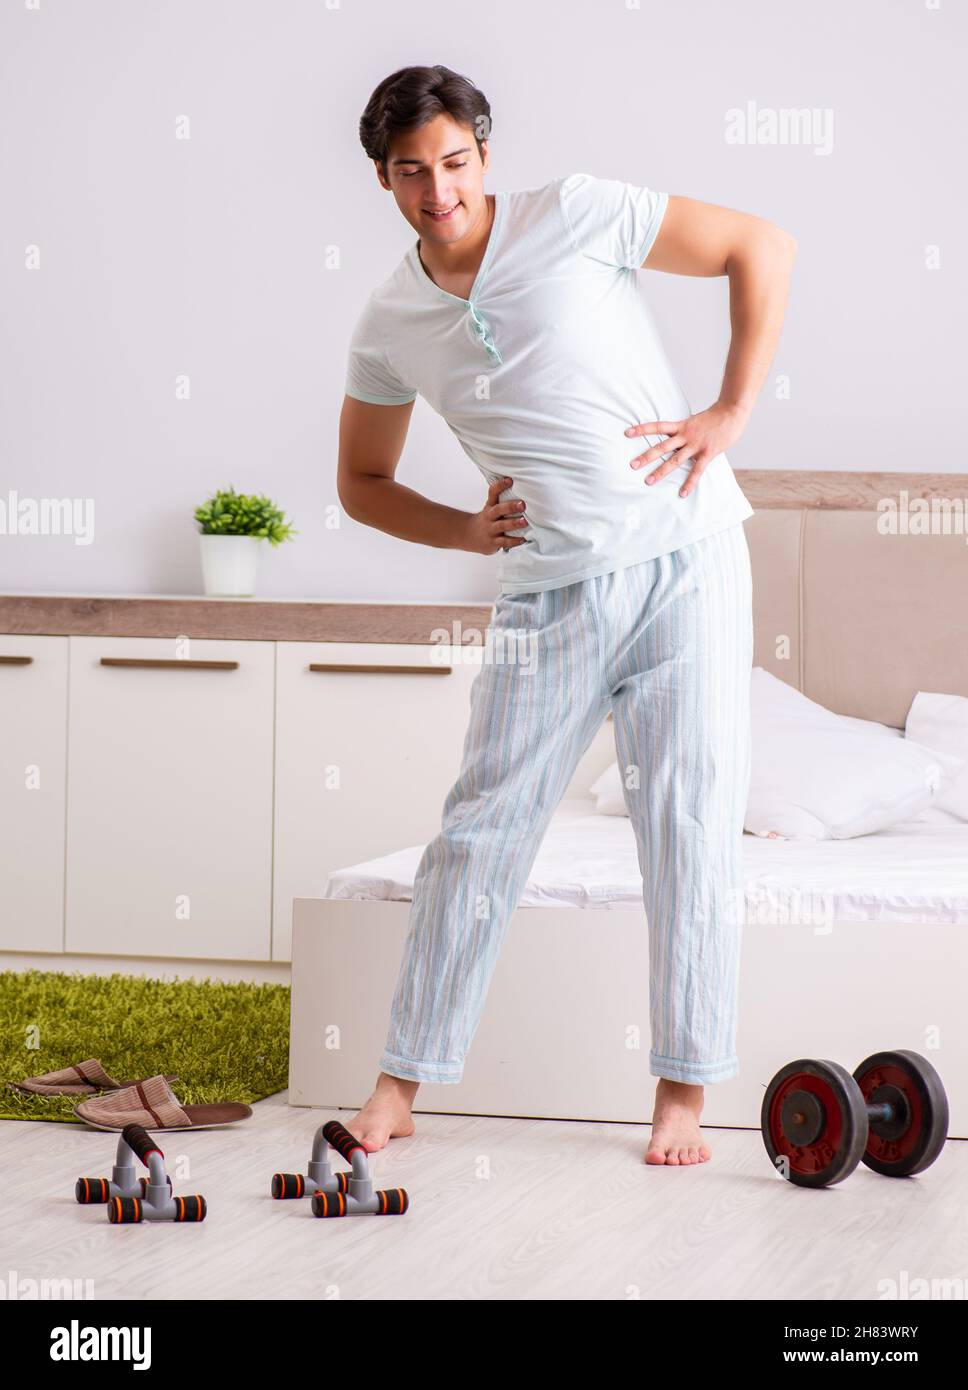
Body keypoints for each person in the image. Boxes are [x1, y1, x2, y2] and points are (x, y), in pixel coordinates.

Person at [336, 64, 796, 1166]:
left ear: (483, 155)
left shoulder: (576, 212)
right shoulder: (390, 319)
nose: (437, 191)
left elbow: (757, 244)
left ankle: (679, 1096)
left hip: (686, 559)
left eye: (453, 163)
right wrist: (459, 531)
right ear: (383, 179)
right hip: (547, 593)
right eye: (410, 173)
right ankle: (400, 1086)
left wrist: (729, 408)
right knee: (478, 832)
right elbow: (360, 479)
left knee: (685, 823)